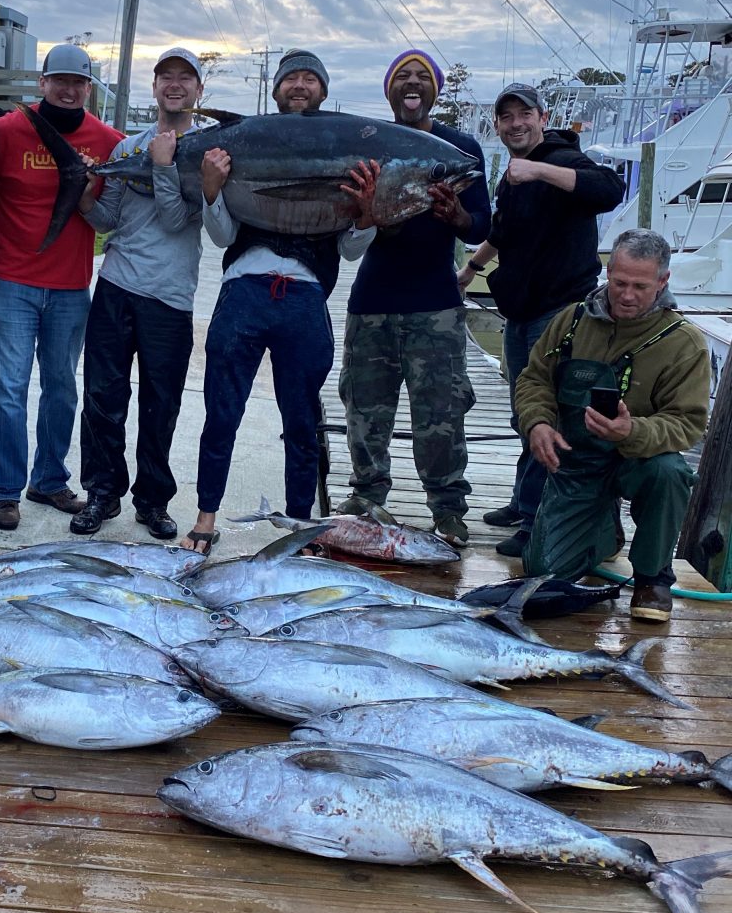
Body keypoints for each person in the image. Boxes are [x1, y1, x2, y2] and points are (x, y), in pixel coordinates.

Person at [181, 49, 377, 555]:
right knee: (222, 411)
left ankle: (297, 526)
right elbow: (223, 238)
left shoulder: (342, 149)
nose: (301, 85)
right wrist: (212, 191)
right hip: (244, 292)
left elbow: (351, 250)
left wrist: (366, 212)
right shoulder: (249, 142)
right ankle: (206, 517)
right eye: (292, 77)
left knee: (301, 419)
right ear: (276, 90)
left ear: (323, 92)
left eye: (311, 77)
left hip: (306, 298)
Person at [458, 82, 624, 557]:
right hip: (520, 312)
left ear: (541, 116)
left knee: (550, 412)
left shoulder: (565, 158)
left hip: (561, 313)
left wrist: (539, 170)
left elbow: (610, 189)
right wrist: (470, 268)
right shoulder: (511, 177)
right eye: (506, 117)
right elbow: (504, 232)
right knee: (522, 412)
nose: (515, 123)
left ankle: (537, 520)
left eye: (523, 114)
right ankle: (523, 500)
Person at [337, 49, 491, 548]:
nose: (411, 82)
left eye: (421, 76)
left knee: (442, 414)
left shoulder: (460, 149)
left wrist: (457, 220)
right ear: (388, 90)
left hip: (436, 304)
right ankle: (368, 496)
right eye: (401, 75)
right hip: (373, 300)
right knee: (365, 410)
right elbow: (343, 221)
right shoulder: (371, 145)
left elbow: (483, 225)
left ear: (435, 89)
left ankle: (447, 509)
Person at [514, 228, 709, 622]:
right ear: (608, 271)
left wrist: (632, 432)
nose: (627, 295)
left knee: (670, 471)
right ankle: (603, 532)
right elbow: (534, 379)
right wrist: (536, 422)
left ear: (663, 281)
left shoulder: (684, 342)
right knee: (542, 579)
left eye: (640, 285)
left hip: (637, 460)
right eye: (619, 282)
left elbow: (686, 423)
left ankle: (653, 578)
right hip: (577, 462)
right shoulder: (570, 321)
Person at [0, 44, 124, 530]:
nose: (68, 89)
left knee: (62, 389)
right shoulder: (4, 131)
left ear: (89, 89)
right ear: (42, 83)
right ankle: (4, 490)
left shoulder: (109, 141)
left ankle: (48, 479)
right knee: (7, 389)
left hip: (70, 287)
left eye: (78, 82)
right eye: (59, 80)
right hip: (10, 282)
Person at [69, 47, 206, 539]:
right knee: (102, 398)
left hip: (169, 297)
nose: (174, 84)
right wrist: (87, 194)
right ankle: (102, 493)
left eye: (184, 78)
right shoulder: (127, 148)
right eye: (165, 76)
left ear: (198, 91)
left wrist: (166, 167)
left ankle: (152, 500)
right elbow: (109, 220)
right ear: (154, 88)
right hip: (115, 286)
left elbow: (176, 220)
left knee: (160, 403)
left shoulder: (205, 155)